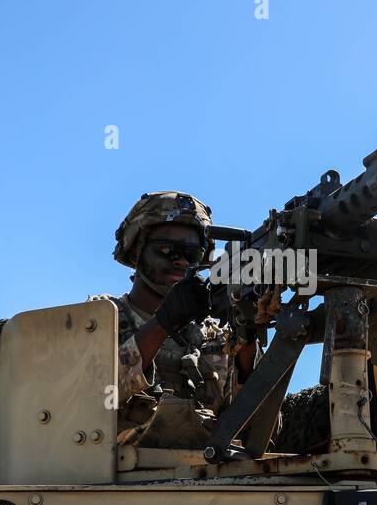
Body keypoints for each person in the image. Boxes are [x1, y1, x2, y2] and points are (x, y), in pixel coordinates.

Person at [92, 192, 258, 450]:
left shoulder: (218, 338)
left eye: (192, 254)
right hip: (113, 469)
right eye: (166, 250)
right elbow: (91, 397)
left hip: (206, 472)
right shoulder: (100, 318)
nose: (180, 261)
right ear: (137, 251)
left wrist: (247, 343)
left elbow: (258, 432)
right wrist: (163, 322)